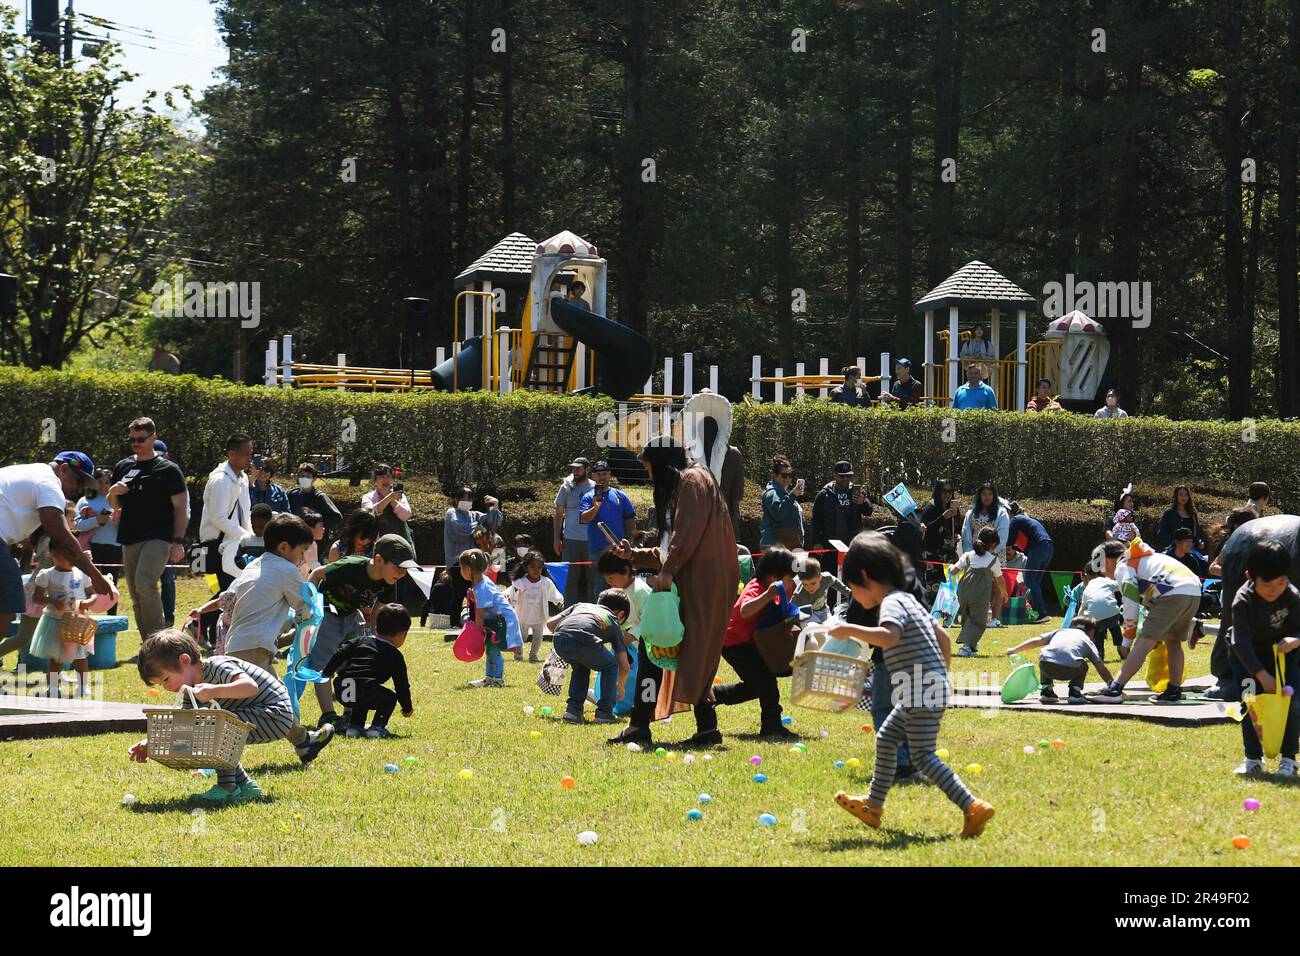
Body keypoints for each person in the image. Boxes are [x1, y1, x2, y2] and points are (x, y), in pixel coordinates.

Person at [829, 532, 994, 837]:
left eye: (853, 589)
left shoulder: (890, 604)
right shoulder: (908, 599)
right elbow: (942, 637)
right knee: (887, 738)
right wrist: (943, 678)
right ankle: (873, 806)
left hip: (918, 691)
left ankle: (972, 806)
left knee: (923, 756)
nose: (855, 596)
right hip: (925, 688)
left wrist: (849, 628)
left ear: (865, 576)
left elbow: (889, 637)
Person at [605, 436, 738, 750]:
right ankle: (705, 728)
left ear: (663, 463)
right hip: (695, 580)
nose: (649, 476)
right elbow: (672, 547)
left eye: (650, 468)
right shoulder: (693, 482)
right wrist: (633, 556)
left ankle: (640, 724)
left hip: (697, 584)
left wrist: (666, 572)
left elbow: (685, 536)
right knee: (690, 652)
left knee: (656, 647)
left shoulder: (693, 481)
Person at [129, 629, 334, 804]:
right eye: (161, 684)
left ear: (185, 661)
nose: (167, 687)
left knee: (215, 726)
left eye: (166, 679)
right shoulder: (190, 691)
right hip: (256, 716)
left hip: (274, 713)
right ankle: (246, 786)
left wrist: (214, 690)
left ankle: (227, 788)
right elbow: (184, 726)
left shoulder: (217, 667)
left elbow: (249, 687)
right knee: (206, 728)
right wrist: (151, 742)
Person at [307, 534, 418, 726]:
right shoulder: (351, 566)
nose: (402, 574)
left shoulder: (388, 580)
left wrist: (372, 627)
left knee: (353, 664)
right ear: (378, 560)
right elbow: (316, 574)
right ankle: (329, 715)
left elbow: (380, 604)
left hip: (351, 616)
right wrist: (311, 606)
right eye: (399, 568)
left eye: (405, 570)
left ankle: (349, 714)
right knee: (324, 665)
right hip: (327, 612)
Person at [1090, 539, 1203, 703]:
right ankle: (1173, 691)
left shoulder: (1124, 566)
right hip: (1193, 590)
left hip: (1172, 593)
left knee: (1142, 643)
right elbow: (1152, 592)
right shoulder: (1146, 558)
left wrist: (1126, 640)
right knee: (1173, 641)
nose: (1104, 575)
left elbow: (1130, 604)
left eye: (1101, 568)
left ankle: (1115, 689)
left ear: (1107, 560)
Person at [108, 419, 188, 639]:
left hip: (158, 537)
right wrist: (114, 492)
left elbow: (181, 509)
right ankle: (149, 644)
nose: (136, 443)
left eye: (141, 439)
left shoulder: (168, 470)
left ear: (153, 437)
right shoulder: (123, 467)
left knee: (145, 582)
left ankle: (159, 639)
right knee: (135, 593)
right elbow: (114, 505)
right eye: (132, 439)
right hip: (129, 536)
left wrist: (178, 541)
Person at [1228, 541, 1300, 776]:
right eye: (1267, 584)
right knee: (1251, 705)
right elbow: (1241, 641)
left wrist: (1295, 640)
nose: (1274, 590)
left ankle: (1289, 759)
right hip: (1246, 659)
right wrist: (1260, 674)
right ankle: (1253, 758)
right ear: (1250, 577)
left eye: (1280, 582)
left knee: (1291, 705)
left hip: (1281, 658)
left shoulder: (1290, 595)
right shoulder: (1243, 600)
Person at [221, 513, 315, 675]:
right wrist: (310, 621)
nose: (303, 557)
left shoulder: (252, 566)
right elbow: (304, 606)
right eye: (302, 551)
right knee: (267, 698)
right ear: (284, 547)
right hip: (255, 647)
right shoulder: (287, 570)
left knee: (276, 695)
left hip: (236, 643)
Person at [322, 603, 414, 739]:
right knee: (389, 698)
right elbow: (401, 685)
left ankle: (354, 727)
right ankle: (376, 728)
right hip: (363, 690)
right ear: (401, 635)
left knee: (363, 692)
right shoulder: (395, 655)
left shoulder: (358, 641)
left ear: (376, 629)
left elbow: (339, 652)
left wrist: (327, 672)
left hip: (343, 690)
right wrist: (407, 708)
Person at [548, 590, 631, 723]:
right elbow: (624, 666)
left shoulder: (580, 605)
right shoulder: (612, 620)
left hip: (560, 639)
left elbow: (550, 624)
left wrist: (570, 635)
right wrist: (620, 687)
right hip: (586, 641)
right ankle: (604, 712)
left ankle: (573, 711)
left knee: (581, 666)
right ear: (620, 614)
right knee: (610, 666)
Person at [28, 536, 95, 698]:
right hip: (54, 621)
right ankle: (52, 687)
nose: (72, 560)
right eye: (67, 555)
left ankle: (83, 685)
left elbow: (92, 595)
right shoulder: (47, 575)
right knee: (55, 657)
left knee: (80, 656)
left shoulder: (81, 574)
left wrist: (86, 603)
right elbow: (36, 597)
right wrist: (51, 600)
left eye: (74, 555)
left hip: (76, 622)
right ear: (54, 554)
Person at [1005, 615, 1115, 704]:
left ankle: (1046, 691)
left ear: (1071, 625)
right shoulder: (1087, 640)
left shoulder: (1060, 631)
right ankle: (1075, 692)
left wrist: (1015, 649)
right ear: (1091, 632)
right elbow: (1100, 666)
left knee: (1046, 656)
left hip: (1047, 666)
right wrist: (1112, 686)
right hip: (1071, 670)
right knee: (1084, 665)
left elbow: (1036, 641)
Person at [438, 487, 503, 626]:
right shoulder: (451, 513)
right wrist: (479, 526)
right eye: (463, 498)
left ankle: (474, 622)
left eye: (469, 498)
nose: (466, 501)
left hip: (476, 562)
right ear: (456, 499)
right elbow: (459, 529)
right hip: (458, 562)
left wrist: (495, 506)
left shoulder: (475, 515)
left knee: (476, 594)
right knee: (459, 593)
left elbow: (494, 522)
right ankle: (454, 623)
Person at [196, 433, 253, 590]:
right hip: (216, 547)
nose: (250, 458)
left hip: (235, 545)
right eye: (246, 454)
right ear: (231, 454)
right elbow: (218, 518)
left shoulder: (243, 478)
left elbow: (245, 512)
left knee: (235, 593)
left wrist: (249, 538)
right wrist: (245, 536)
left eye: (251, 453)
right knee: (219, 596)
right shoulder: (220, 480)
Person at [460, 547, 522, 688]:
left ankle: (497, 680)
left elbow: (480, 616)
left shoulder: (482, 588)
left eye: (461, 568)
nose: (460, 571)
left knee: (494, 648)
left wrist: (477, 635)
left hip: (502, 620)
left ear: (468, 570)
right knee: (490, 648)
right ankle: (489, 678)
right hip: (496, 619)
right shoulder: (482, 582)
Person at [579, 459, 637, 600]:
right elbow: (584, 518)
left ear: (609, 475)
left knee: (621, 585)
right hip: (597, 550)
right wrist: (596, 506)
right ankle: (600, 617)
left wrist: (634, 542)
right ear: (593, 476)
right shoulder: (588, 497)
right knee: (600, 586)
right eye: (599, 474)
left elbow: (630, 520)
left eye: (605, 474)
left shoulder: (620, 496)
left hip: (619, 550)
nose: (602, 477)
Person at [953, 527, 1006, 657]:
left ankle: (971, 643)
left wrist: (951, 570)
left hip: (963, 591)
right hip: (979, 594)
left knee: (967, 616)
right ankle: (966, 648)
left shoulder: (968, 555)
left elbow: (954, 570)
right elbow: (1000, 579)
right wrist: (1004, 593)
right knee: (978, 620)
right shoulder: (993, 560)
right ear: (993, 545)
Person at [74, 469, 120, 614]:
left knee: (112, 584)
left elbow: (128, 527)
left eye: (107, 482)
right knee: (87, 582)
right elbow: (76, 525)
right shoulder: (85, 501)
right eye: (100, 482)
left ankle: (112, 617)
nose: (104, 486)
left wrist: (119, 520)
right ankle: (84, 614)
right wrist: (97, 520)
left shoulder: (118, 501)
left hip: (114, 547)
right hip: (91, 547)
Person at [553, 457, 594, 607]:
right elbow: (558, 515)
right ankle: (568, 612)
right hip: (570, 539)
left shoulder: (595, 488)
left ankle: (593, 612)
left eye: (579, 468)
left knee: (593, 578)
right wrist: (557, 539)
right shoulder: (566, 488)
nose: (575, 471)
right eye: (573, 468)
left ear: (587, 469)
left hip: (592, 540)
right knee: (570, 579)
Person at [810, 461, 873, 554]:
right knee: (829, 568)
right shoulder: (824, 494)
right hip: (830, 544)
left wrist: (863, 502)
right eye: (842, 476)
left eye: (848, 476)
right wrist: (817, 542)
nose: (845, 479)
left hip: (852, 545)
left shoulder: (858, 492)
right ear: (834, 475)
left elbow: (869, 512)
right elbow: (816, 519)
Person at [511, 550, 563, 663]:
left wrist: (559, 602)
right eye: (533, 567)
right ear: (526, 568)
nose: (536, 570)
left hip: (539, 616)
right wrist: (510, 598)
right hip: (523, 616)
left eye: (539, 567)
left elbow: (554, 593)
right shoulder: (521, 582)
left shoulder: (545, 582)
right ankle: (518, 654)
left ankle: (533, 655)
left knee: (538, 638)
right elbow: (511, 592)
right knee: (522, 637)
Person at [1007, 503, 1055, 624]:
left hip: (1038, 548)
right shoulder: (1027, 519)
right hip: (1048, 547)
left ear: (1009, 512)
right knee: (1035, 582)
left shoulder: (1015, 519)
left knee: (1029, 580)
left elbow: (1009, 541)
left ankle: (1042, 613)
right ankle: (1037, 613)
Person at [1072, 565, 1125, 660]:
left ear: (1087, 576)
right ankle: (1121, 649)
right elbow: (1120, 585)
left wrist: (1078, 621)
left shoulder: (1086, 590)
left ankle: (1100, 654)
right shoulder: (1106, 581)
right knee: (1115, 628)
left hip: (1097, 618)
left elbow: (1082, 608)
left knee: (1098, 635)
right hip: (1113, 613)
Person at [759, 455, 804, 549]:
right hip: (774, 548)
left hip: (786, 547)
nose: (788, 478)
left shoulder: (783, 494)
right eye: (784, 475)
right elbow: (778, 514)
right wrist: (793, 495)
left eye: (790, 475)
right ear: (775, 476)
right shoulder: (772, 493)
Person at [363, 464, 413, 545]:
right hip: (377, 543)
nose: (386, 480)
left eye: (388, 476)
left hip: (400, 543)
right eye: (381, 477)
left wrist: (392, 500)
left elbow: (406, 516)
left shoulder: (399, 496)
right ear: (375, 480)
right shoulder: (368, 497)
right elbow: (370, 514)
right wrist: (388, 498)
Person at [288, 462, 343, 534]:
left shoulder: (319, 497)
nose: (305, 478)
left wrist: (317, 527)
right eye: (302, 476)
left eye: (308, 476)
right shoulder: (292, 495)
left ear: (314, 479)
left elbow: (336, 517)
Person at [960, 481, 1009, 555]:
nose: (987, 497)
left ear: (994, 496)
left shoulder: (1002, 513)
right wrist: (970, 554)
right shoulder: (971, 513)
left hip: (994, 555)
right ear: (980, 496)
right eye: (984, 494)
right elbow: (966, 534)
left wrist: (987, 555)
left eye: (990, 494)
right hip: (974, 555)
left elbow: (1002, 537)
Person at [793, 556, 845, 624]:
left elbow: (836, 584)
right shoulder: (799, 594)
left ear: (820, 577)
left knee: (831, 626)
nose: (809, 587)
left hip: (824, 610)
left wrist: (850, 594)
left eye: (813, 583)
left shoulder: (827, 578)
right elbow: (791, 609)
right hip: (807, 613)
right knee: (815, 629)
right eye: (805, 584)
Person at [920, 478, 961, 562]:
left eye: (950, 491)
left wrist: (957, 535)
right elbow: (927, 530)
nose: (947, 494)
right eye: (944, 491)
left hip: (949, 555)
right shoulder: (931, 507)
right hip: (933, 555)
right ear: (938, 491)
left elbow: (958, 527)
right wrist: (943, 517)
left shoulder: (952, 507)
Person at [1157, 485, 1204, 551]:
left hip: (1192, 549)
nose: (1183, 497)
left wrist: (1199, 541)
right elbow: (1162, 533)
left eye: (1186, 495)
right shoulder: (1169, 513)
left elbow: (1197, 531)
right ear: (1176, 496)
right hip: (1174, 550)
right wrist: (1177, 543)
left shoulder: (1192, 513)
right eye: (1181, 495)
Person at [235, 503, 272, 569]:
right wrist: (243, 562)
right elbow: (238, 559)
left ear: (269, 523)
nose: (256, 530)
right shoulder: (245, 540)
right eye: (253, 526)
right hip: (250, 576)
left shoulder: (274, 540)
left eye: (261, 527)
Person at [300, 508, 325, 576]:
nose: (323, 529)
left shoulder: (310, 542)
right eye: (321, 525)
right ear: (310, 528)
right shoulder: (310, 544)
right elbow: (313, 567)